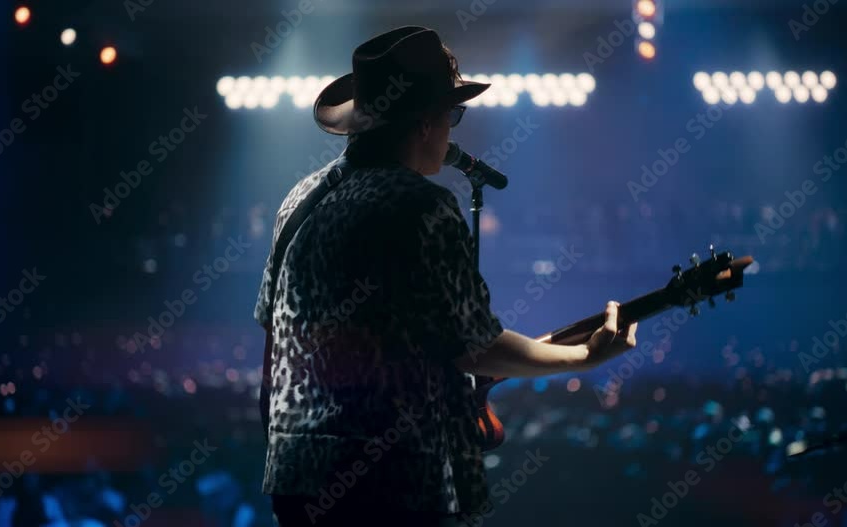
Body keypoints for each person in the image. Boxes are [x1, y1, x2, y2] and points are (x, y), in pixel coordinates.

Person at [253, 26, 638, 527]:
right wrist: (585, 356)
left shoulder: (298, 200)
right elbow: (476, 347)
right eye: (452, 116)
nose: (452, 132)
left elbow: (273, 343)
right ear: (424, 124)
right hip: (396, 482)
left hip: (295, 479)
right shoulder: (422, 206)